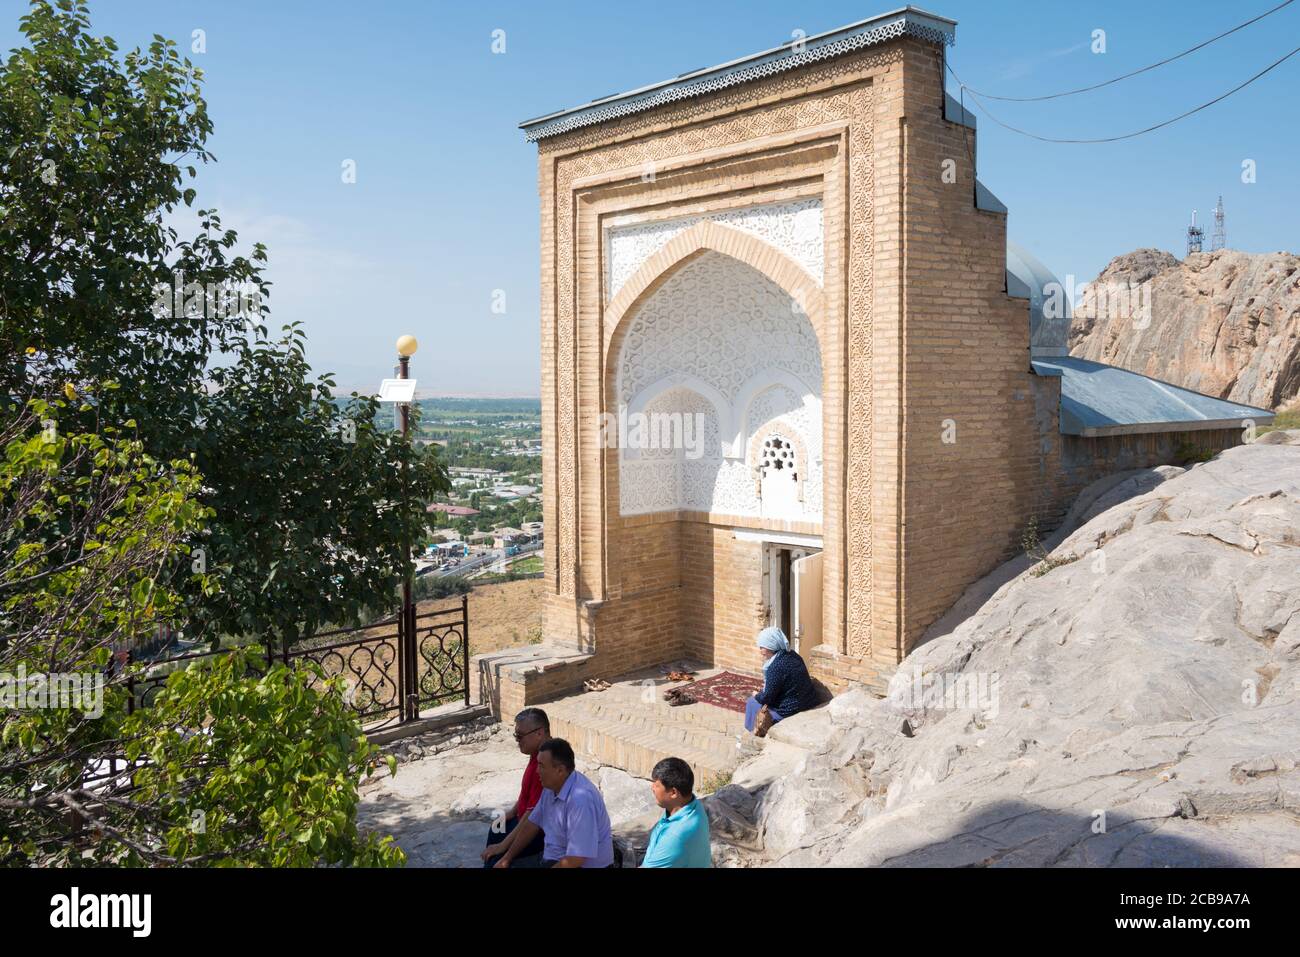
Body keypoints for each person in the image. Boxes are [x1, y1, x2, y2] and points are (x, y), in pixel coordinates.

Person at [496, 738, 614, 868]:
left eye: (541, 766)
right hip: (552, 857)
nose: (537, 771)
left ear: (560, 770)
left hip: (578, 865)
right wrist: (506, 858)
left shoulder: (580, 800)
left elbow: (576, 859)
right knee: (495, 862)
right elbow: (532, 823)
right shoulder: (550, 787)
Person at [481, 707, 550, 867]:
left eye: (520, 736)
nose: (517, 740)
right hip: (523, 820)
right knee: (496, 828)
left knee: (495, 857)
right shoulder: (537, 752)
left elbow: (532, 816)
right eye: (515, 735)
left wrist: (503, 847)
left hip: (536, 833)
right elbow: (527, 794)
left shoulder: (546, 765)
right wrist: (511, 812)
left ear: (539, 733)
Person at [744, 626, 821, 734]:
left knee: (752, 703)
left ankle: (753, 732)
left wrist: (756, 695)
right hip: (808, 700)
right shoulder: (793, 655)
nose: (761, 651)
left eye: (763, 647)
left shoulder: (775, 667)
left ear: (771, 646)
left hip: (791, 709)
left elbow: (767, 698)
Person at [640, 757, 712, 868]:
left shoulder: (675, 835)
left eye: (657, 785)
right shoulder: (694, 805)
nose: (652, 788)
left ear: (673, 792)